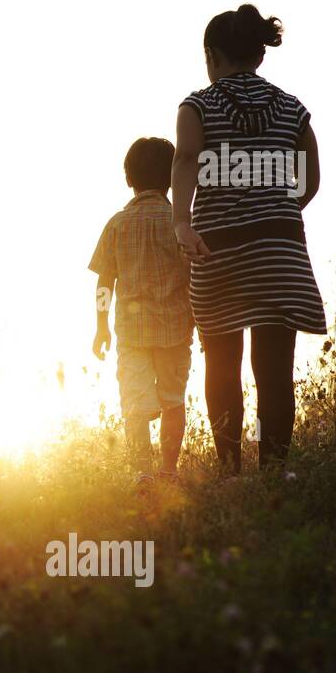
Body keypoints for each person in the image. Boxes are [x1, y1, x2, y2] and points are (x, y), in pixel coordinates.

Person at [171, 4, 326, 474]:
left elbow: (184, 161)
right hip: (280, 254)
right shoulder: (291, 107)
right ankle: (275, 473)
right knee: (275, 371)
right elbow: (311, 178)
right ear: (258, 55)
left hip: (218, 249)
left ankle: (230, 471)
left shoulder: (197, 105)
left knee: (221, 362)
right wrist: (279, 208)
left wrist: (182, 222)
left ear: (211, 57)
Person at [90, 137, 194, 488]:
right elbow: (194, 277)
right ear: (171, 178)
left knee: (134, 402)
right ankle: (169, 470)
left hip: (132, 334)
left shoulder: (117, 224)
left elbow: (105, 282)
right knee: (173, 400)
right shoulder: (180, 224)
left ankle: (142, 473)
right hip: (176, 330)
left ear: (128, 178)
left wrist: (101, 326)